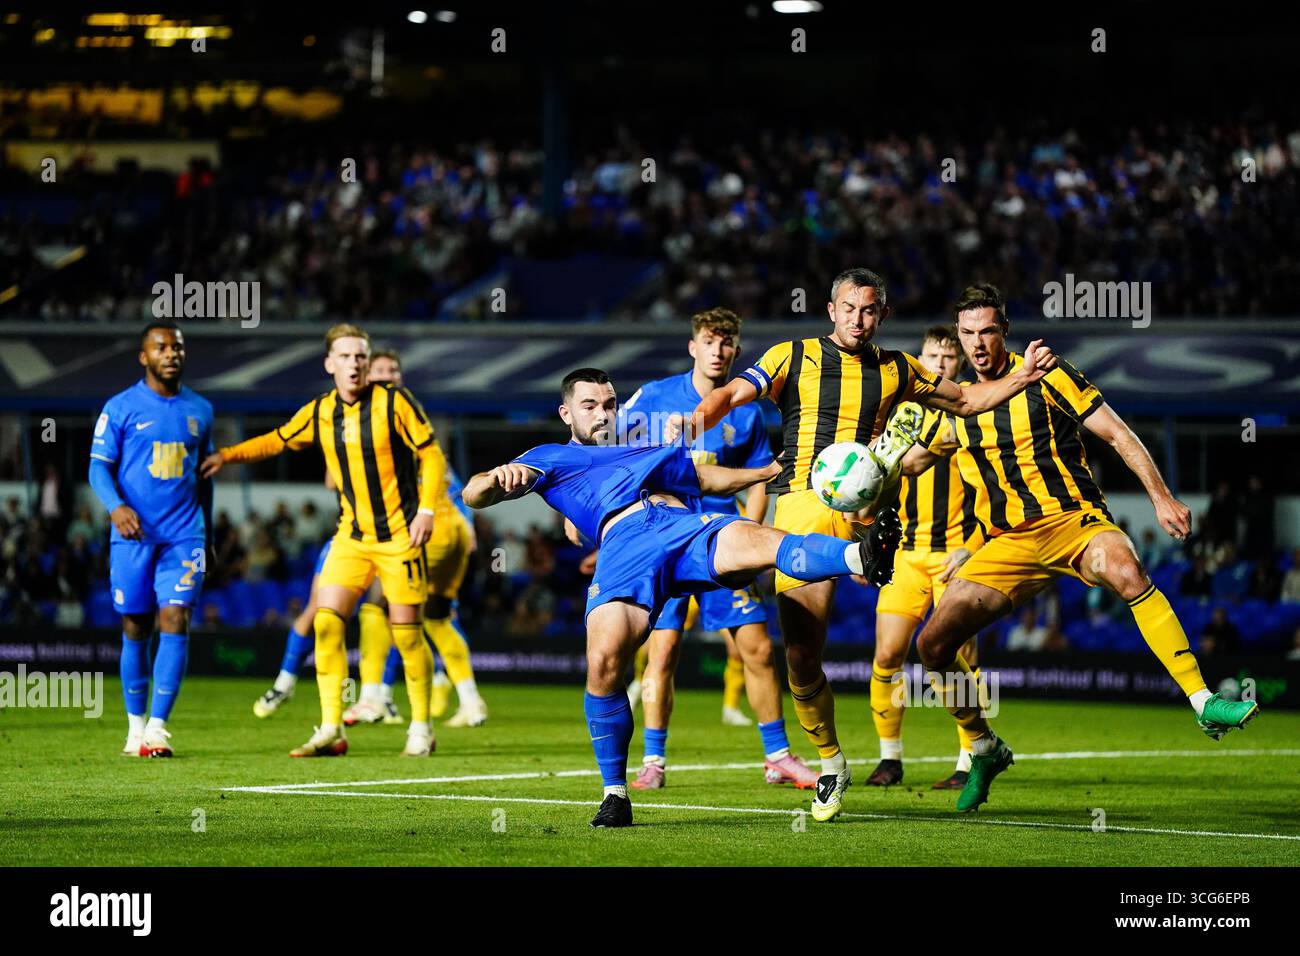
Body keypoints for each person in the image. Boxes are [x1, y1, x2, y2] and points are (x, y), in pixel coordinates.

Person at [676, 267, 1060, 822]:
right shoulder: (793, 355)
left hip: (866, 514)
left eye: (870, 310)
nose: (859, 320)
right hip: (803, 509)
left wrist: (1023, 376)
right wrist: (696, 420)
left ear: (881, 315)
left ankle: (969, 743)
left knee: (931, 644)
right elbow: (735, 392)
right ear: (832, 310)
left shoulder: (899, 368)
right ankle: (832, 765)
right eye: (850, 309)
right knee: (803, 658)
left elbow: (968, 401)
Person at [462, 367, 900, 828]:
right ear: (566, 412)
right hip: (624, 546)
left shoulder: (645, 444)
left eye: (609, 404)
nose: (603, 413)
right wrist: (494, 479)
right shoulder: (548, 456)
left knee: (759, 539)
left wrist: (766, 471)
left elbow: (703, 479)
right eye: (589, 406)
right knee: (605, 662)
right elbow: (475, 493)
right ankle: (615, 793)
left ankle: (860, 555)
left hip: (682, 526)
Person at [901, 283, 1259, 812]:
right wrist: (871, 467)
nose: (978, 344)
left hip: (1074, 522)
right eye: (968, 333)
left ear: (1006, 332)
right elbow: (910, 465)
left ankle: (1204, 701)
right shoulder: (952, 406)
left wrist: (1161, 497)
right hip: (1008, 546)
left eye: (988, 331)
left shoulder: (1048, 375)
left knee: (1129, 572)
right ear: (958, 335)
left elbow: (1116, 434)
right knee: (931, 647)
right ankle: (983, 748)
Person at [202, 323, 442, 758]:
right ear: (329, 364)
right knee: (327, 622)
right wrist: (227, 454)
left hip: (399, 537)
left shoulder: (394, 402)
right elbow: (277, 440)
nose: (355, 364)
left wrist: (426, 510)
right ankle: (331, 727)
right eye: (346, 357)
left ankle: (421, 727)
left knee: (406, 634)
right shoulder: (319, 413)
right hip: (351, 537)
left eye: (360, 357)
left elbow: (432, 453)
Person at [617, 308, 817, 791]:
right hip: (664, 539)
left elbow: (760, 480)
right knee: (661, 654)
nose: (719, 351)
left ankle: (778, 757)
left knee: (757, 650)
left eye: (728, 343)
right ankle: (653, 762)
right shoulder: (656, 398)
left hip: (721, 541)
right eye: (710, 341)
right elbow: (610, 448)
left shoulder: (746, 411)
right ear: (693, 346)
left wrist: (750, 534)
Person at [868, 325, 988, 791]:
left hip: (955, 558)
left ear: (959, 364)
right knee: (886, 655)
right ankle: (890, 758)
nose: (941, 364)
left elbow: (994, 493)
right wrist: (868, 547)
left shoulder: (970, 419)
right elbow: (875, 485)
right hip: (905, 558)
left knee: (960, 660)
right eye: (933, 356)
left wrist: (971, 548)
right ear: (920, 360)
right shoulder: (898, 419)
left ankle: (969, 759)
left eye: (949, 357)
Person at [341, 349, 489, 729]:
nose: (388, 376)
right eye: (381, 371)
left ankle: (374, 697)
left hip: (427, 529)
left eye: (393, 370)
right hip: (450, 526)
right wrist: (467, 523)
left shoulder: (382, 415)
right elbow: (447, 476)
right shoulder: (415, 414)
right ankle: (471, 701)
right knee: (437, 617)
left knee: (378, 607)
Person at [88, 322, 214, 758]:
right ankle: (135, 726)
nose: (170, 353)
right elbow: (97, 468)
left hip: (185, 535)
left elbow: (205, 480)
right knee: (135, 626)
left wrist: (209, 533)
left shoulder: (201, 409)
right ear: (144, 357)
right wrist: (116, 507)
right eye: (160, 347)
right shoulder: (120, 407)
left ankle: (158, 728)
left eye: (177, 346)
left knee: (176, 617)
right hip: (133, 536)